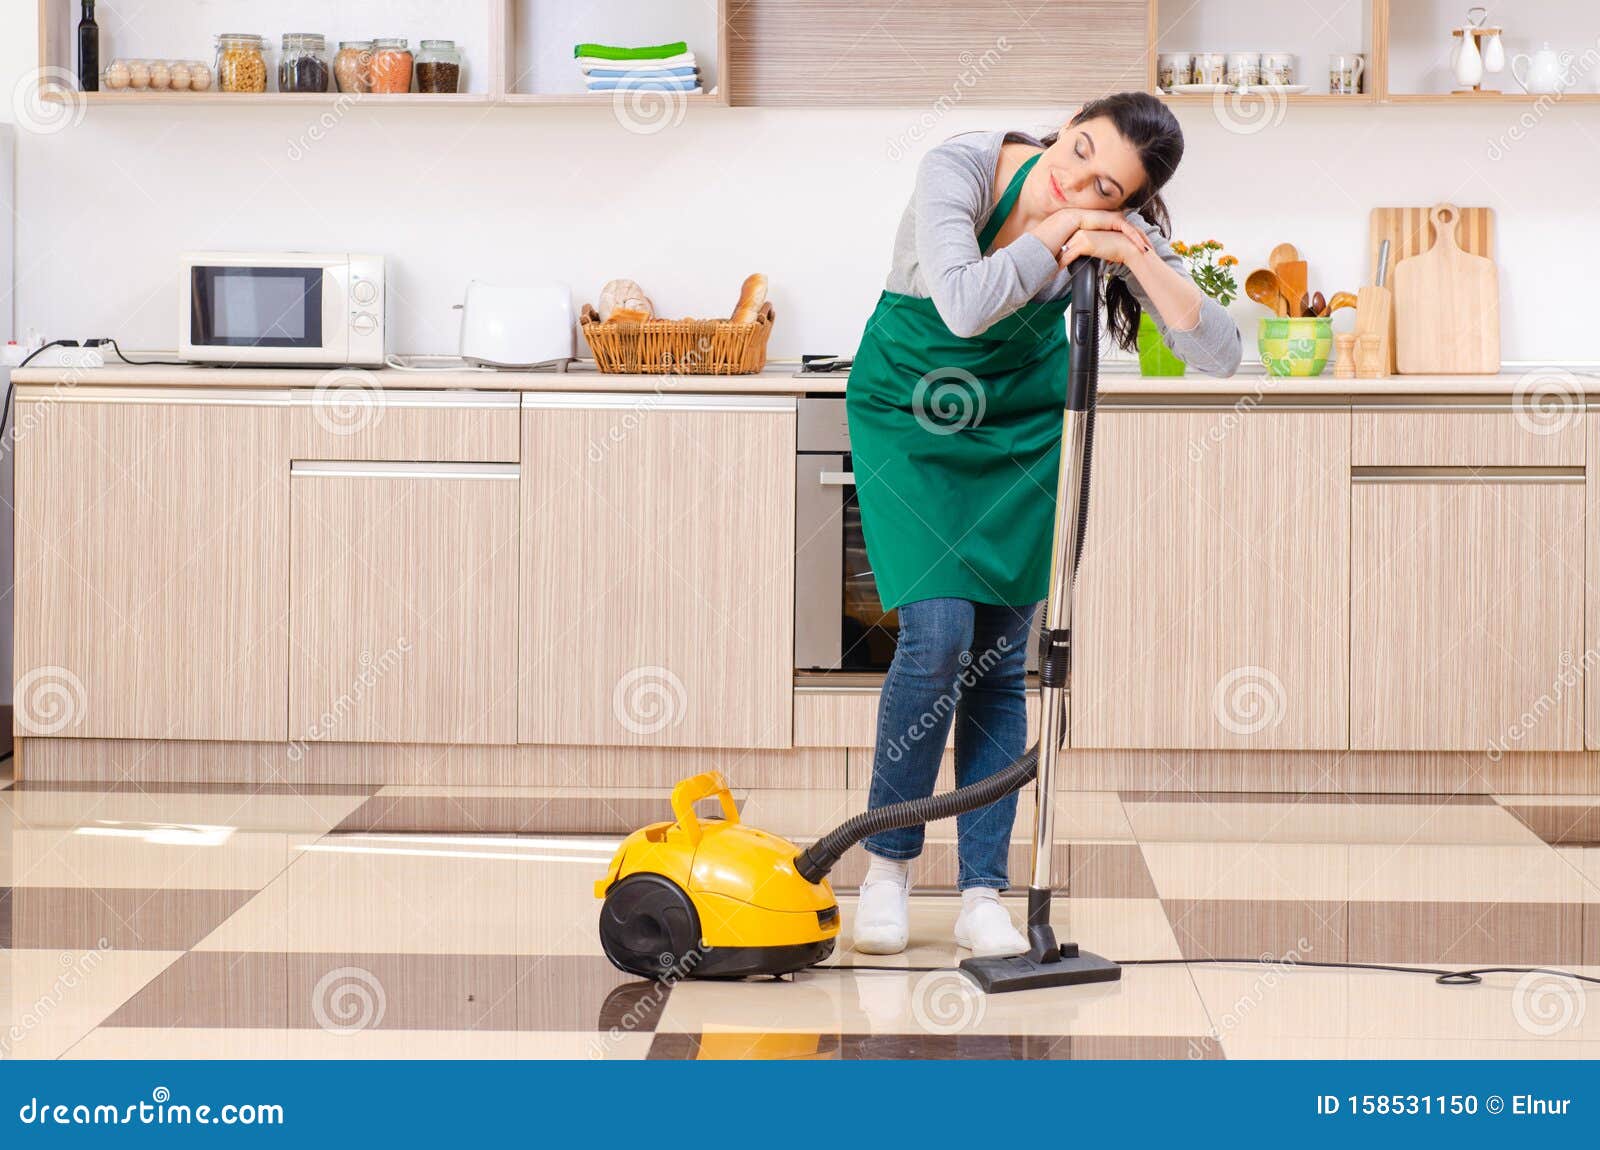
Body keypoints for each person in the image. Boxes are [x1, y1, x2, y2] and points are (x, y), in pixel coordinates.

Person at [845, 92, 1241, 956]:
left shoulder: (1114, 222)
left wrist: (1134, 251)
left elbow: (1220, 353)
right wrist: (1060, 233)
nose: (1077, 179)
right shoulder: (961, 167)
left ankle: (983, 891)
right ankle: (887, 870)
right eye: (1081, 148)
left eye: (1107, 188)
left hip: (1020, 433)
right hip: (911, 415)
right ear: (1071, 122)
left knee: (997, 661)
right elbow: (961, 304)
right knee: (937, 636)